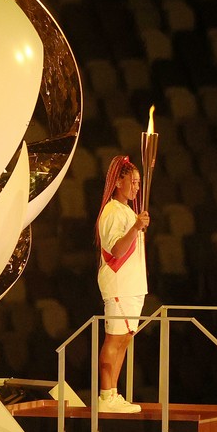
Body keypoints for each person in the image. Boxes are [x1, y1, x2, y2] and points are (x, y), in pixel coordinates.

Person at [94, 154, 151, 413]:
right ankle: (105, 395)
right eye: (133, 181)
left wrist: (137, 224)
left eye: (139, 182)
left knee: (125, 340)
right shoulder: (112, 211)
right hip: (118, 285)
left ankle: (113, 394)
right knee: (113, 340)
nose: (137, 187)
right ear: (118, 181)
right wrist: (136, 227)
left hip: (133, 285)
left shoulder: (127, 211)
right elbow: (116, 250)